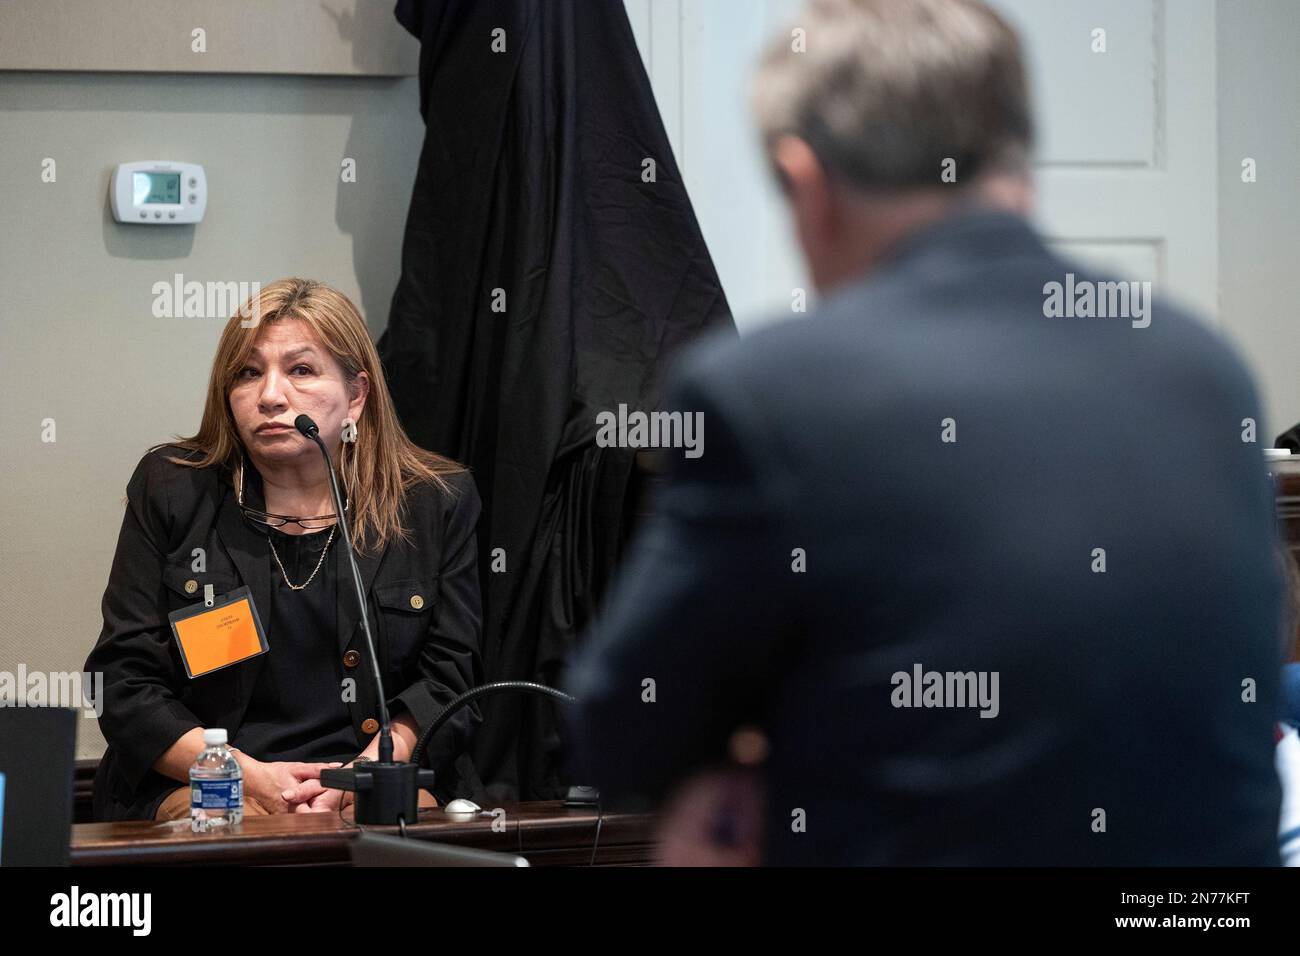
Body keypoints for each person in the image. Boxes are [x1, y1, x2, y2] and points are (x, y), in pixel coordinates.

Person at [564, 0, 1285, 864]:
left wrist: (765, 750)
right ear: (1016, 157)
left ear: (804, 180)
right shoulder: (1207, 372)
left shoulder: (769, 391)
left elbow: (625, 727)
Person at [86, 278, 484, 820]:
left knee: (396, 826)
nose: (270, 396)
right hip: (213, 772)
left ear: (357, 396)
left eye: (301, 370)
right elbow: (122, 681)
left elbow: (450, 679)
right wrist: (244, 774)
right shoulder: (174, 489)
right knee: (233, 826)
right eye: (249, 373)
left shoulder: (434, 503)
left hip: (370, 772)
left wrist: (362, 773)